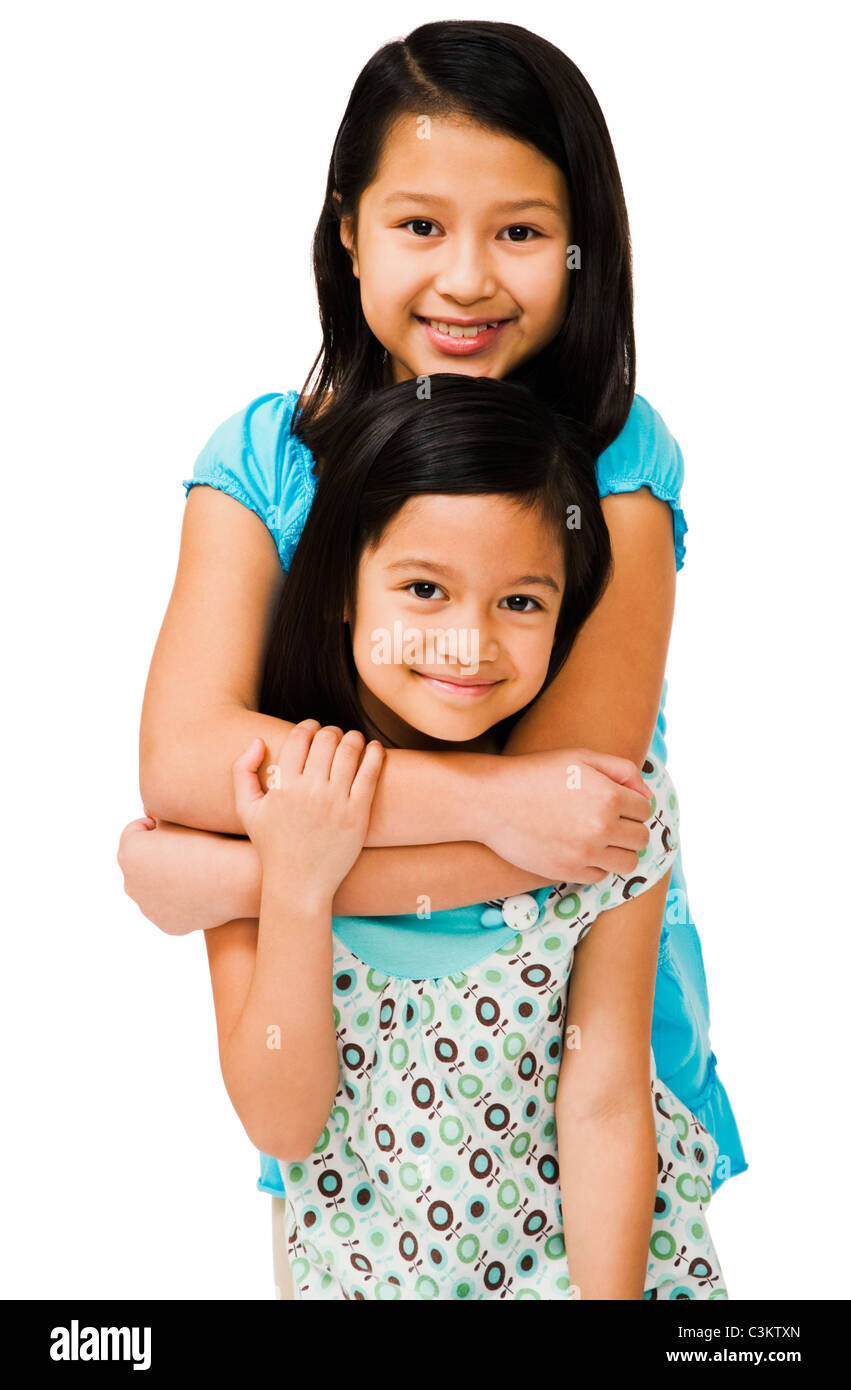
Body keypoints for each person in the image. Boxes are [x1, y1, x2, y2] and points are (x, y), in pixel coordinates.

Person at [117, 17, 746, 1286]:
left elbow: (585, 834)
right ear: (346, 230)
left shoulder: (616, 466)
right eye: (417, 227)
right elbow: (189, 763)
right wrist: (498, 800)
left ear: (580, 247)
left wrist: (237, 874)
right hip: (343, 1071)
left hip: (584, 1069)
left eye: (518, 232)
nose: (465, 278)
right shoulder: (263, 464)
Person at [204, 372, 726, 1299]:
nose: (467, 642)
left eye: (520, 602)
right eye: (422, 589)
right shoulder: (273, 798)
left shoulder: (602, 814)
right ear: (339, 590)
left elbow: (603, 1099)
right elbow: (283, 1126)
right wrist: (296, 877)